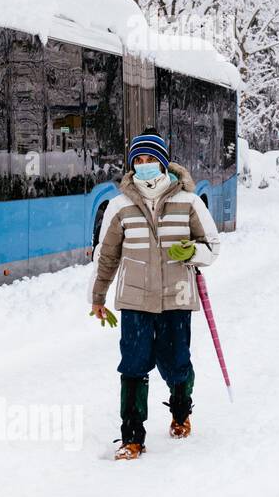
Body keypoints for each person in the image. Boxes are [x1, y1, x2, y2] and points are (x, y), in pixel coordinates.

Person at [90, 129, 222, 461]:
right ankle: (132, 437)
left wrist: (192, 252)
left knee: (176, 363)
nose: (144, 165)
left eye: (150, 160)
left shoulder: (188, 202)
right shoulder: (119, 206)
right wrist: (98, 296)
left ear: (163, 163)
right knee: (133, 365)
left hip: (176, 297)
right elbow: (106, 256)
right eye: (139, 160)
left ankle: (180, 411)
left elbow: (212, 248)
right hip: (134, 300)